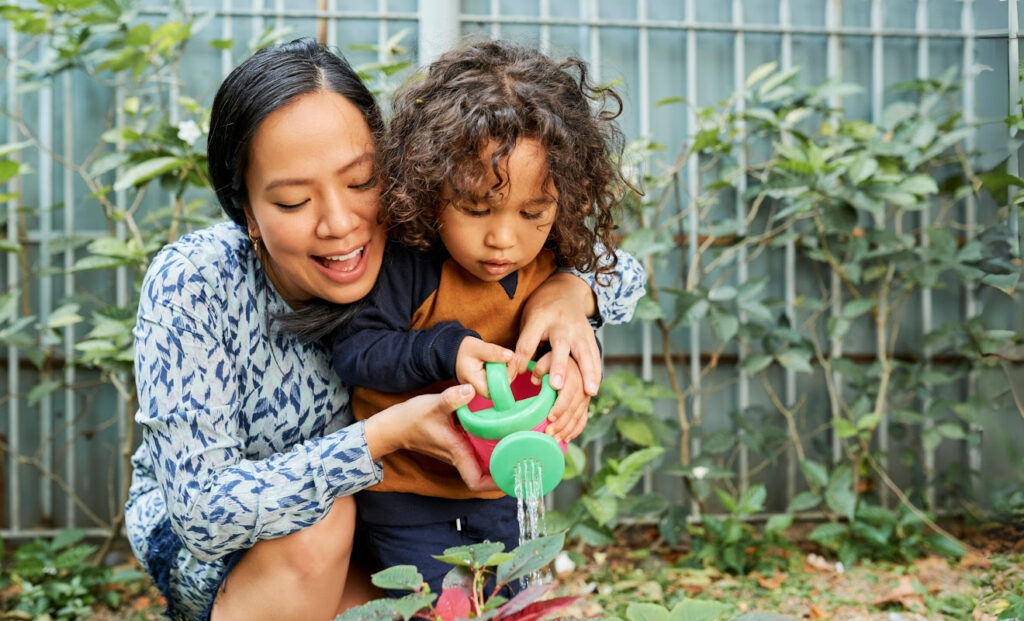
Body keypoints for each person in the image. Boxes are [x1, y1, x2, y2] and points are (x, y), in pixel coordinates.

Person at [123, 38, 645, 621]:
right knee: (324, 526)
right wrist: (379, 439)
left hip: (384, 535)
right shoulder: (197, 282)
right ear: (245, 208)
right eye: (293, 201)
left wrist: (570, 294)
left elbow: (613, 266)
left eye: (360, 181)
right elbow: (202, 516)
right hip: (246, 552)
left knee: (477, 601)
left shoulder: (423, 222)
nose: (340, 223)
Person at [331, 39, 633, 595]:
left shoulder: (553, 264)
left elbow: (611, 292)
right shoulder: (411, 264)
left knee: (510, 598)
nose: (503, 238)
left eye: (532, 212)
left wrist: (567, 380)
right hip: (407, 492)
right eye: (475, 208)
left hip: (505, 485)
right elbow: (356, 351)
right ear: (430, 186)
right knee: (433, 604)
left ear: (565, 200)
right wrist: (444, 349)